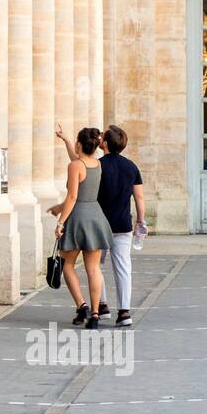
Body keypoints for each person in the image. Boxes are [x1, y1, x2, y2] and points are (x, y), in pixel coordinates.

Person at [52, 127, 115, 329]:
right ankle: (95, 315)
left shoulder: (75, 166)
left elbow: (72, 196)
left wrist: (61, 221)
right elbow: (77, 158)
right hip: (95, 216)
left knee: (67, 264)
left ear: (81, 144)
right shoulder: (97, 163)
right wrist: (66, 139)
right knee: (93, 268)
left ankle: (82, 305)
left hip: (77, 217)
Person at [97, 124, 145, 327]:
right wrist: (140, 221)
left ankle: (102, 305)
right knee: (123, 267)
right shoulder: (131, 166)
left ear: (105, 143)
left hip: (99, 224)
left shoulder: (97, 165)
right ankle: (124, 311)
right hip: (122, 224)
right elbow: (139, 197)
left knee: (94, 266)